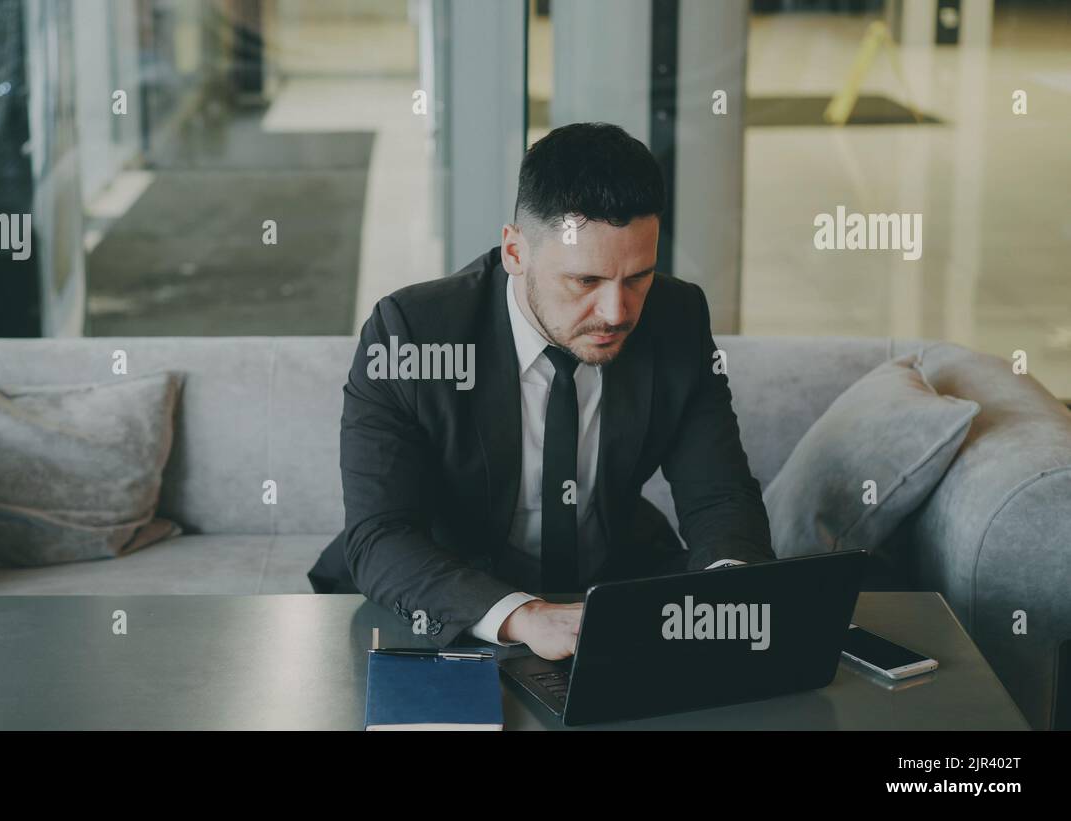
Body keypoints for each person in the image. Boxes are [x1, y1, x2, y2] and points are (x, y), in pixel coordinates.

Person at [308, 122, 774, 661]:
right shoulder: (409, 333)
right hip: (441, 598)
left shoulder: (678, 317)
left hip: (609, 589)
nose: (617, 313)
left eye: (638, 278)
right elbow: (382, 533)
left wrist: (732, 592)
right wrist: (520, 616)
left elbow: (720, 495)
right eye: (585, 281)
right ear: (514, 252)